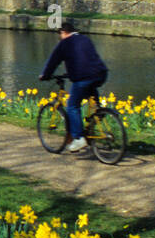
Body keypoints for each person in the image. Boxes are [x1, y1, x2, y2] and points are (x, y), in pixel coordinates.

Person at [39, 19, 109, 153]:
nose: (60, 37)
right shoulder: (85, 39)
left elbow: (53, 61)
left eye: (60, 34)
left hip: (83, 77)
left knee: (72, 106)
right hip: (101, 73)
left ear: (63, 32)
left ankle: (78, 138)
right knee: (91, 89)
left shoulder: (64, 43)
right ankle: (98, 111)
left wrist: (45, 75)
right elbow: (85, 58)